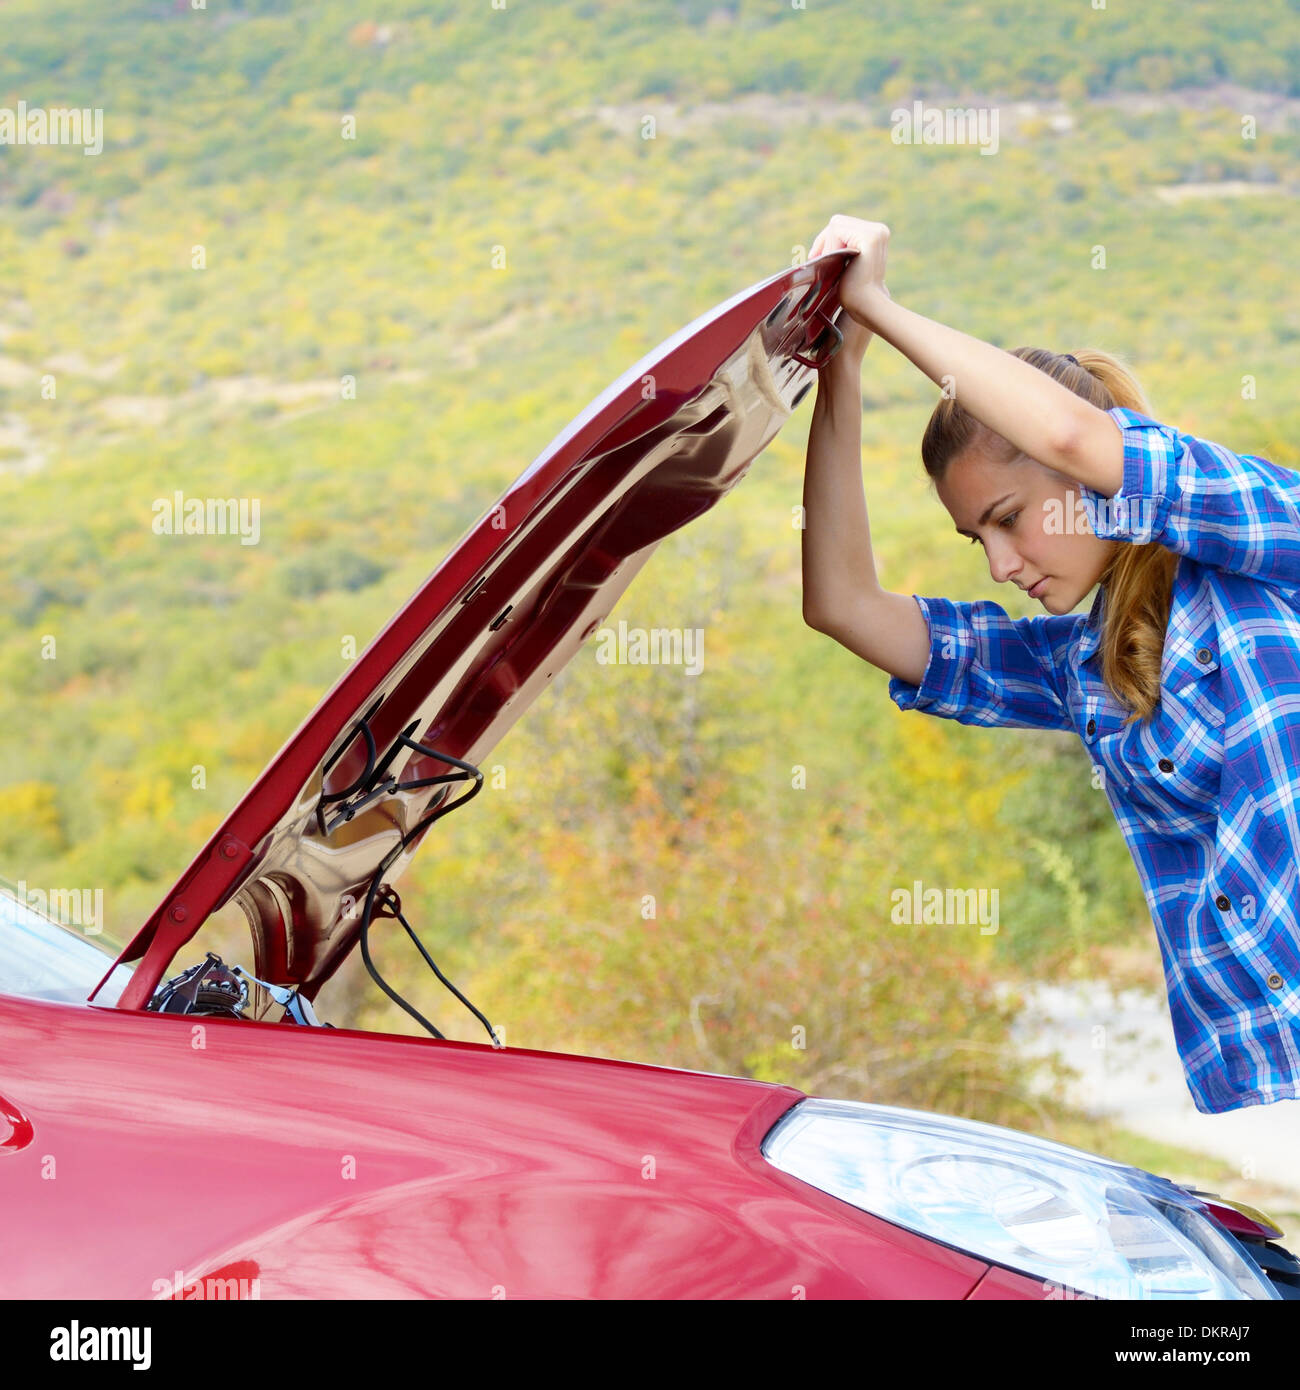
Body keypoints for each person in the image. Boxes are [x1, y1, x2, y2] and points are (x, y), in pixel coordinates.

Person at [802, 213, 1300, 1116]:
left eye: (1008, 516)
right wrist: (846, 364)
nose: (999, 565)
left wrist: (876, 299)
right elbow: (841, 604)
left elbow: (1074, 438)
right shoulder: (1083, 665)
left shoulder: (1265, 540)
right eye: (974, 538)